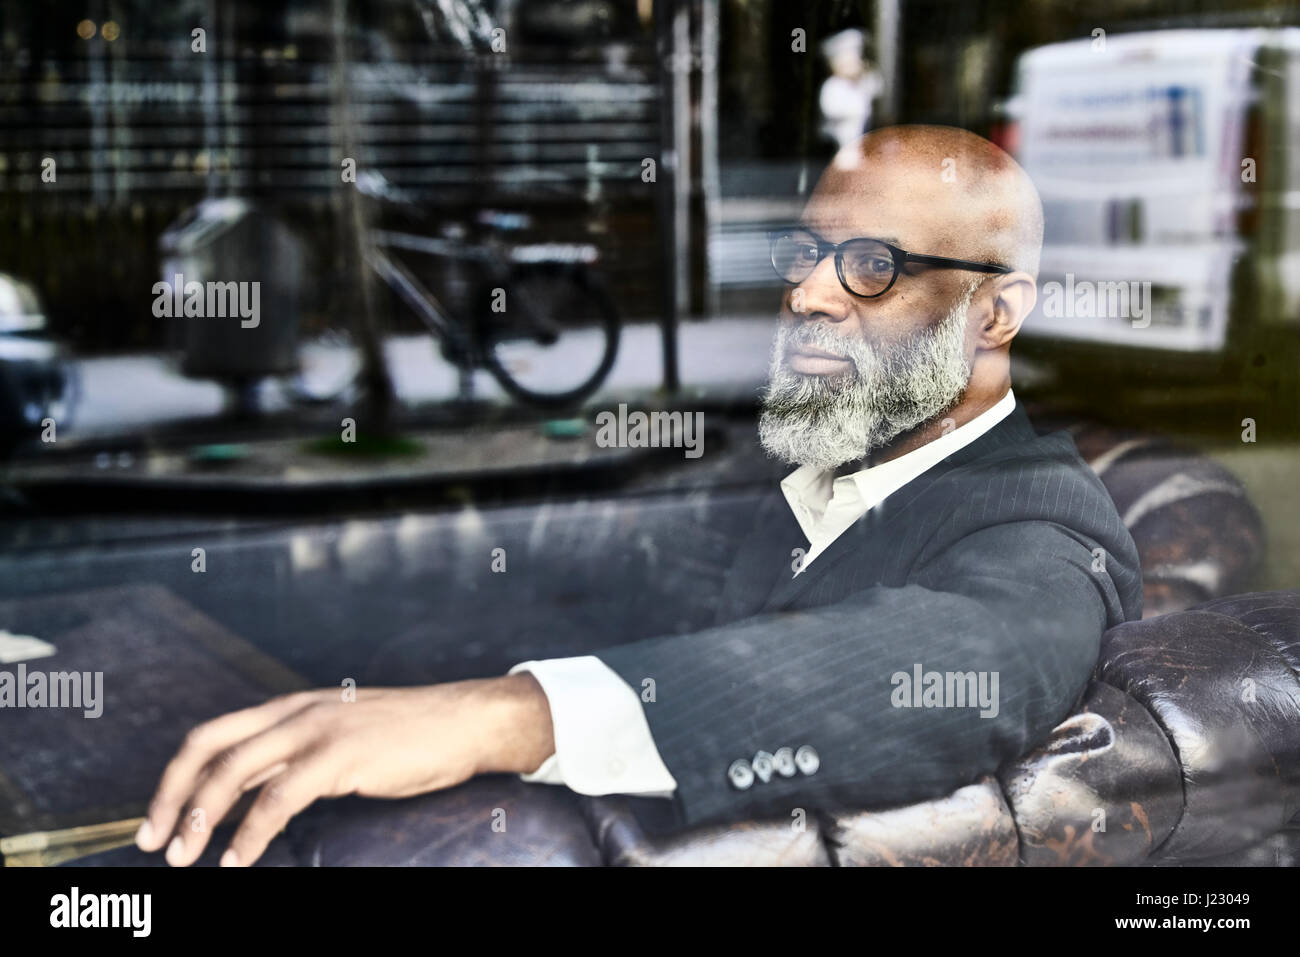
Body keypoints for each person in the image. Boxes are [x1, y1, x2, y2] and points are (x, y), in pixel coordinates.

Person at [135, 125, 1142, 867]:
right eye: (804, 255)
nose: (808, 295)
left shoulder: (1039, 519)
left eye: (871, 267)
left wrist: (507, 715)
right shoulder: (780, 467)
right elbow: (567, 575)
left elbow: (961, 660)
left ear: (996, 312)